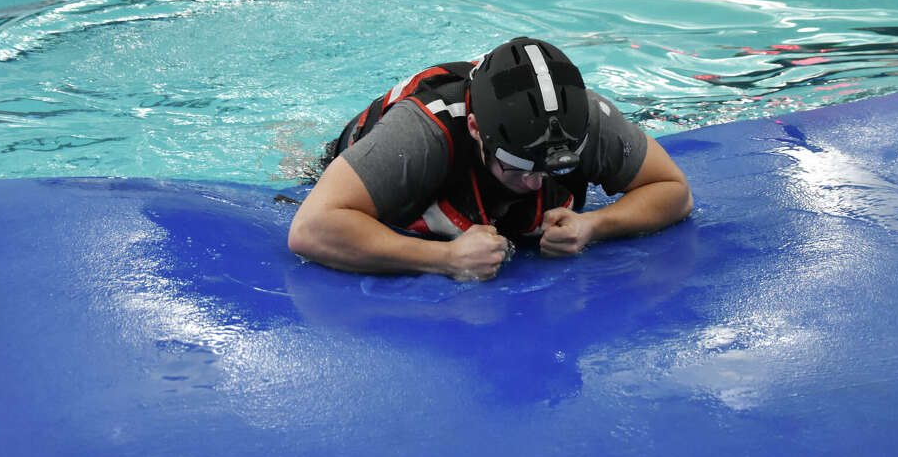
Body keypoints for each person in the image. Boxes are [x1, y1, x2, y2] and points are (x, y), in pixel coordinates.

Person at [288, 37, 692, 281]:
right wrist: (443, 258)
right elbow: (310, 228)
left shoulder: (584, 121)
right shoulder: (422, 135)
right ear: (478, 131)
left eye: (553, 170)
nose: (535, 184)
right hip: (364, 150)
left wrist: (595, 225)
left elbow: (674, 190)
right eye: (517, 168)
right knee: (297, 161)